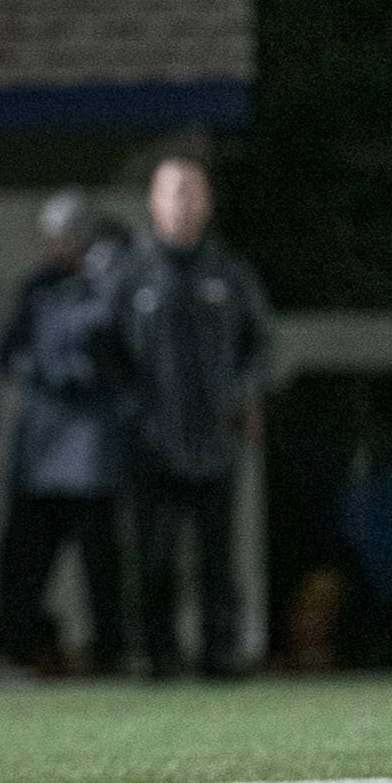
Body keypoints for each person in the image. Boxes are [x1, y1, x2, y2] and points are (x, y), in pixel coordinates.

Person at [117, 156, 273, 679]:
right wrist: (128, 410)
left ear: (207, 204)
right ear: (154, 203)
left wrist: (245, 394)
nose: (183, 204)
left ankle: (219, 655)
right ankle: (158, 657)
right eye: (173, 192)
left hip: (214, 443)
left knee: (217, 561)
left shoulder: (231, 274)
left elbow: (261, 344)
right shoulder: (131, 273)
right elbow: (103, 347)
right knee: (154, 559)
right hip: (151, 444)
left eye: (193, 193)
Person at [0, 190, 130, 676]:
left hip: (92, 451)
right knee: (25, 564)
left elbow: (119, 354)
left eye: (69, 233)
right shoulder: (37, 290)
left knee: (101, 565)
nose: (60, 243)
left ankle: (110, 654)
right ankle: (15, 651)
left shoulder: (110, 283)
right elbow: (7, 352)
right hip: (40, 453)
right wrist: (39, 366)